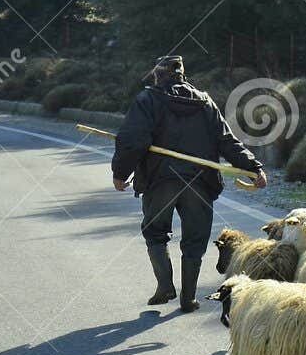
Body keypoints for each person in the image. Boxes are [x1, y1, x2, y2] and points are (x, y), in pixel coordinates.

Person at [112, 55, 269, 312]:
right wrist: (254, 167)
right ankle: (189, 298)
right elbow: (227, 141)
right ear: (182, 75)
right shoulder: (205, 103)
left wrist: (121, 173)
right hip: (199, 182)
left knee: (155, 233)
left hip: (159, 180)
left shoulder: (147, 101)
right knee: (195, 240)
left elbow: (132, 140)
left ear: (158, 76)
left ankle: (165, 286)